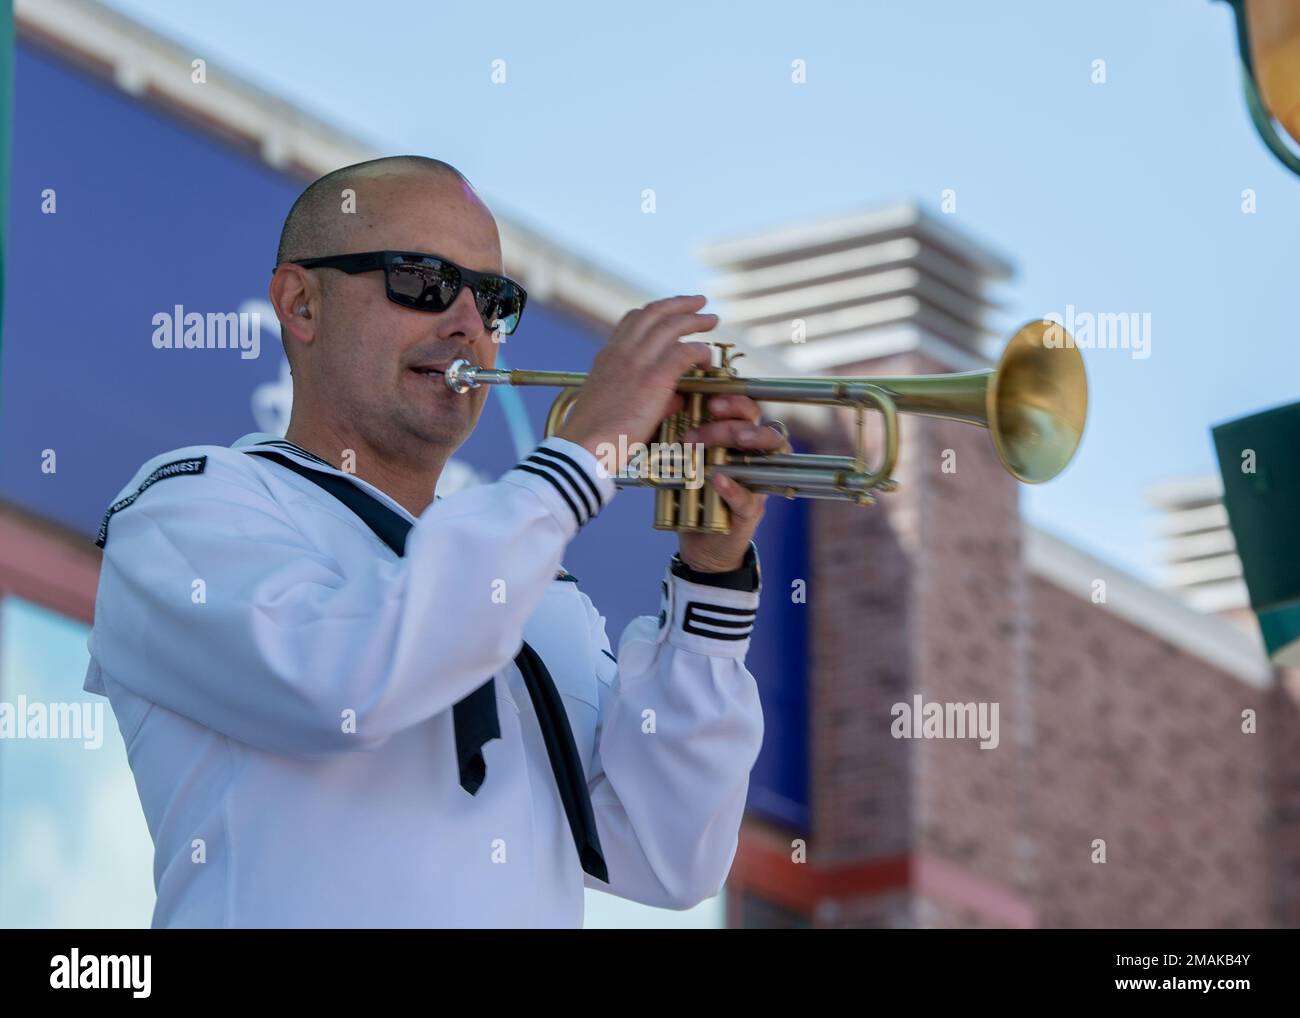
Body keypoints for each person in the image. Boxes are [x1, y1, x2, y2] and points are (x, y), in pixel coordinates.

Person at [84, 155, 784, 927]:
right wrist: (584, 458)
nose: (467, 326)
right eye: (420, 279)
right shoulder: (191, 505)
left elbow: (667, 854)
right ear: (301, 303)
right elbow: (345, 684)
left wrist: (711, 576)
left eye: (492, 299)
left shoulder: (537, 588)